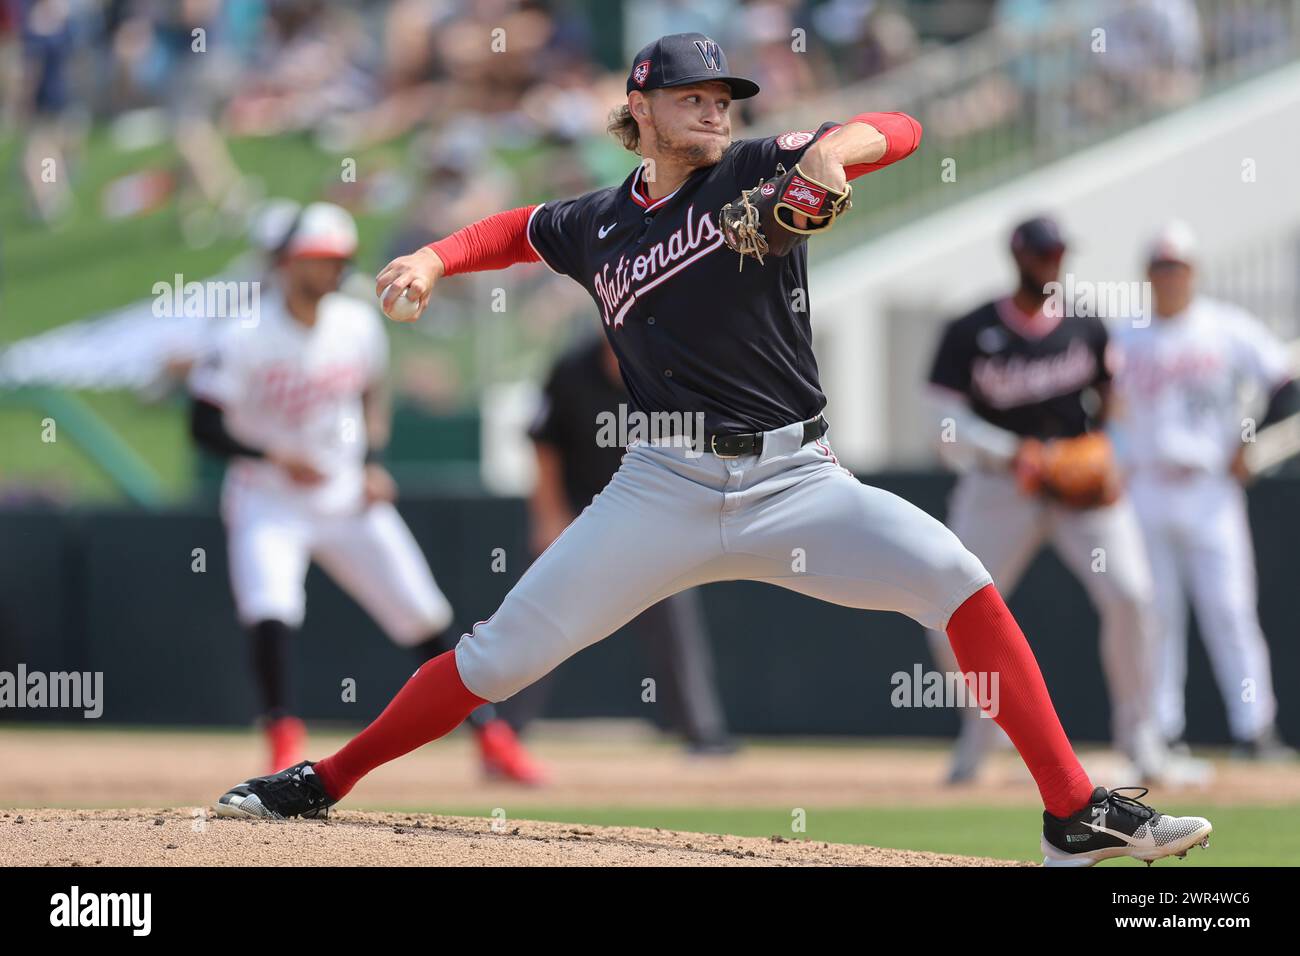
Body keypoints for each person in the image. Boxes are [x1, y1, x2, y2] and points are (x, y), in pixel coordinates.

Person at [214, 34, 1212, 866]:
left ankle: (1069, 809)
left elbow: (899, 131)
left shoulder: (757, 167)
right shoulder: (597, 221)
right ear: (638, 106)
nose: (715, 108)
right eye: (691, 94)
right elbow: (517, 229)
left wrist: (832, 152)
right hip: (663, 484)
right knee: (496, 656)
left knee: (960, 583)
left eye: (724, 95)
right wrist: (433, 256)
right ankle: (323, 777)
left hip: (796, 478)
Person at [189, 201, 544, 783]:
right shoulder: (245, 335)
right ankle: (283, 740)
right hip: (267, 497)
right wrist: (271, 455)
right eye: (320, 258)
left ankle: (492, 739)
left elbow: (370, 396)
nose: (332, 269)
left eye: (339, 259)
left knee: (423, 613)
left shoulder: (355, 324)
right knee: (270, 609)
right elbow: (201, 425)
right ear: (288, 262)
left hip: (346, 493)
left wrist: (373, 461)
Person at [922, 216, 1204, 788]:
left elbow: (1115, 405)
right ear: (1020, 256)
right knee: (944, 602)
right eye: (1043, 252)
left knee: (1132, 596)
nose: (1052, 262)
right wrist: (1011, 452)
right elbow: (941, 422)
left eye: (1058, 253)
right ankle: (981, 731)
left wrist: (1113, 455)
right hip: (1001, 486)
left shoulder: (1085, 325)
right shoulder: (972, 328)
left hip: (1080, 487)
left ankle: (1142, 739)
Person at [1112, 220, 1298, 760]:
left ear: (1193, 272)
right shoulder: (1126, 334)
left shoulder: (1225, 327)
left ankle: (1255, 728)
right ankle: (1163, 732)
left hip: (1210, 487)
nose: (1170, 276)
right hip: (1145, 485)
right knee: (1155, 615)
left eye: (1178, 266)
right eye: (1161, 267)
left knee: (1231, 609)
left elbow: (1285, 383)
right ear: (1148, 274)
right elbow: (1095, 404)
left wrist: (1253, 445)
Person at [513, 333, 735, 753]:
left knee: (673, 618)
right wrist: (548, 518)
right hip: (584, 516)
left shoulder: (671, 368)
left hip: (650, 519)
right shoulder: (572, 370)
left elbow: (694, 448)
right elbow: (544, 447)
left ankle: (701, 733)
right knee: (541, 616)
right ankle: (506, 730)